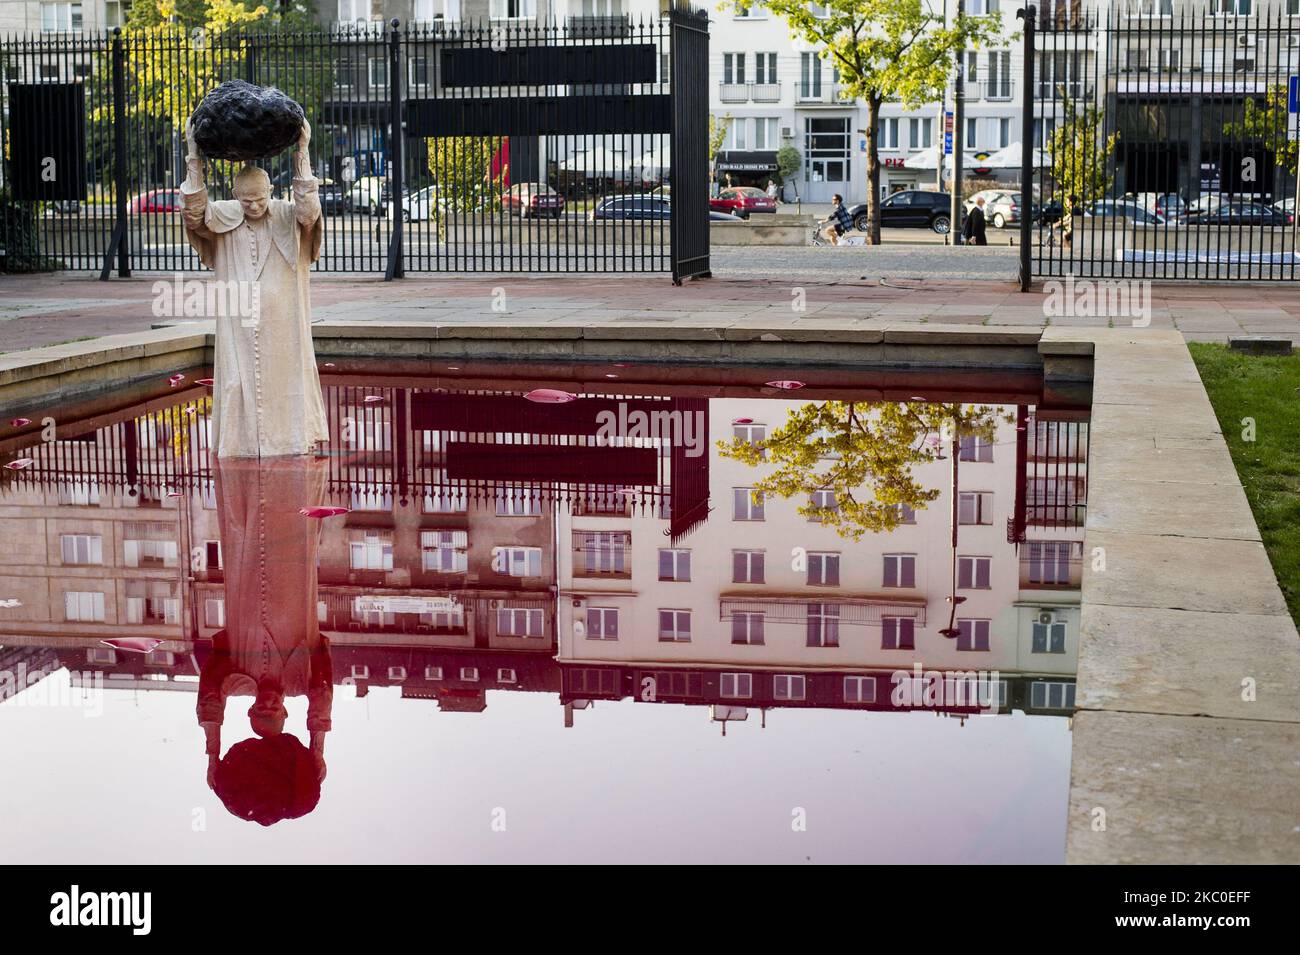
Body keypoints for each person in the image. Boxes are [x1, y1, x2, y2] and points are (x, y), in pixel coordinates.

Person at [197, 456, 334, 826]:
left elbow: (210, 694)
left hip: (247, 565)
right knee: (293, 502)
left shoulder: (235, 677)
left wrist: (214, 755)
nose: (268, 703)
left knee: (245, 517)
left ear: (250, 710)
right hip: (292, 571)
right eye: (275, 710)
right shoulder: (302, 680)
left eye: (260, 711)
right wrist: (316, 749)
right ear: (287, 711)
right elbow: (322, 695)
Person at [180, 118, 329, 458]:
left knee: (285, 382)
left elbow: (309, 213)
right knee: (236, 381)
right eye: (246, 201)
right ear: (235, 196)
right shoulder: (224, 216)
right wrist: (193, 156)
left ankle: (289, 442)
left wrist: (302, 152)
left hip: (282, 321)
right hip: (239, 324)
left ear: (270, 193)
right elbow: (193, 214)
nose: (254, 206)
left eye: (259, 199)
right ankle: (240, 444)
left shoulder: (285, 215)